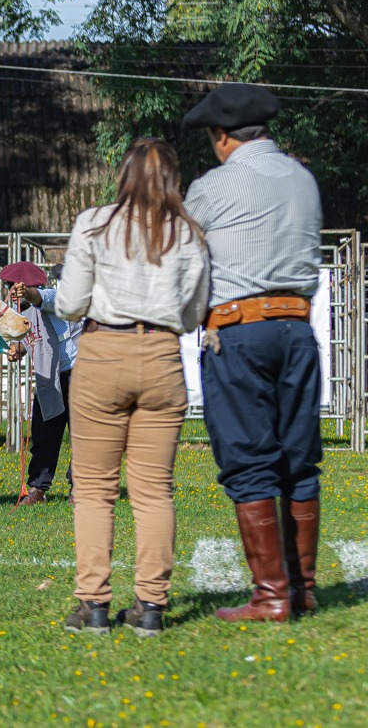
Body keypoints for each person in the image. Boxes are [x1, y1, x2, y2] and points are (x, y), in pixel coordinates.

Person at [52, 137, 210, 636]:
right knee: (154, 490)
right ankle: (151, 606)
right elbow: (195, 314)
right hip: (162, 355)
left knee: (94, 490)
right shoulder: (187, 232)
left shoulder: (94, 223)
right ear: (172, 179)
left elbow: (69, 304)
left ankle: (93, 604)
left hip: (102, 352)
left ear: (122, 175)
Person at [182, 83, 324, 623]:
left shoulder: (212, 187)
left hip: (239, 331)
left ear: (222, 136)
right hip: (297, 327)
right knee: (299, 458)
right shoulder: (303, 178)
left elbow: (186, 258)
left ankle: (270, 596)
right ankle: (302, 589)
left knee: (248, 458)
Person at [2, 261, 84, 507]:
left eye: (12, 286)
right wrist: (18, 350)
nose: (10, 291)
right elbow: (29, 340)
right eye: (8, 286)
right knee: (43, 435)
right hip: (49, 377)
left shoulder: (53, 297)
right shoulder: (19, 313)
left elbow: (42, 298)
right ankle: (38, 488)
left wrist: (29, 293)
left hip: (80, 373)